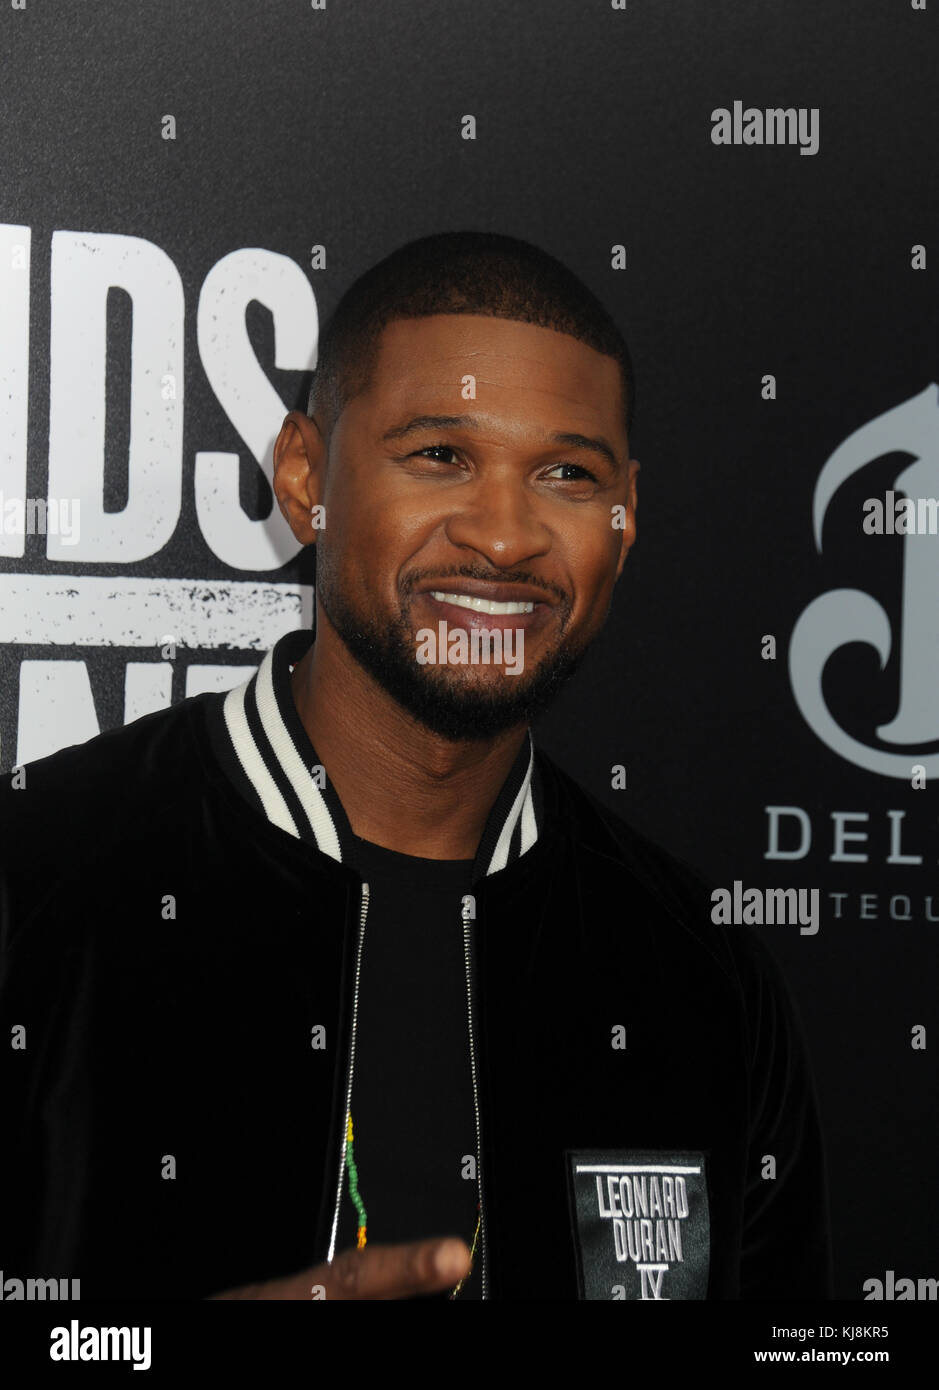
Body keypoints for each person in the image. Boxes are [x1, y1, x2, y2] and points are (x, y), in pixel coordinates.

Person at [0, 231, 831, 1301]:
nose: (503, 536)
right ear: (307, 479)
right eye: (441, 455)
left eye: (567, 474)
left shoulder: (704, 979)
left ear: (624, 521)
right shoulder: (37, 878)